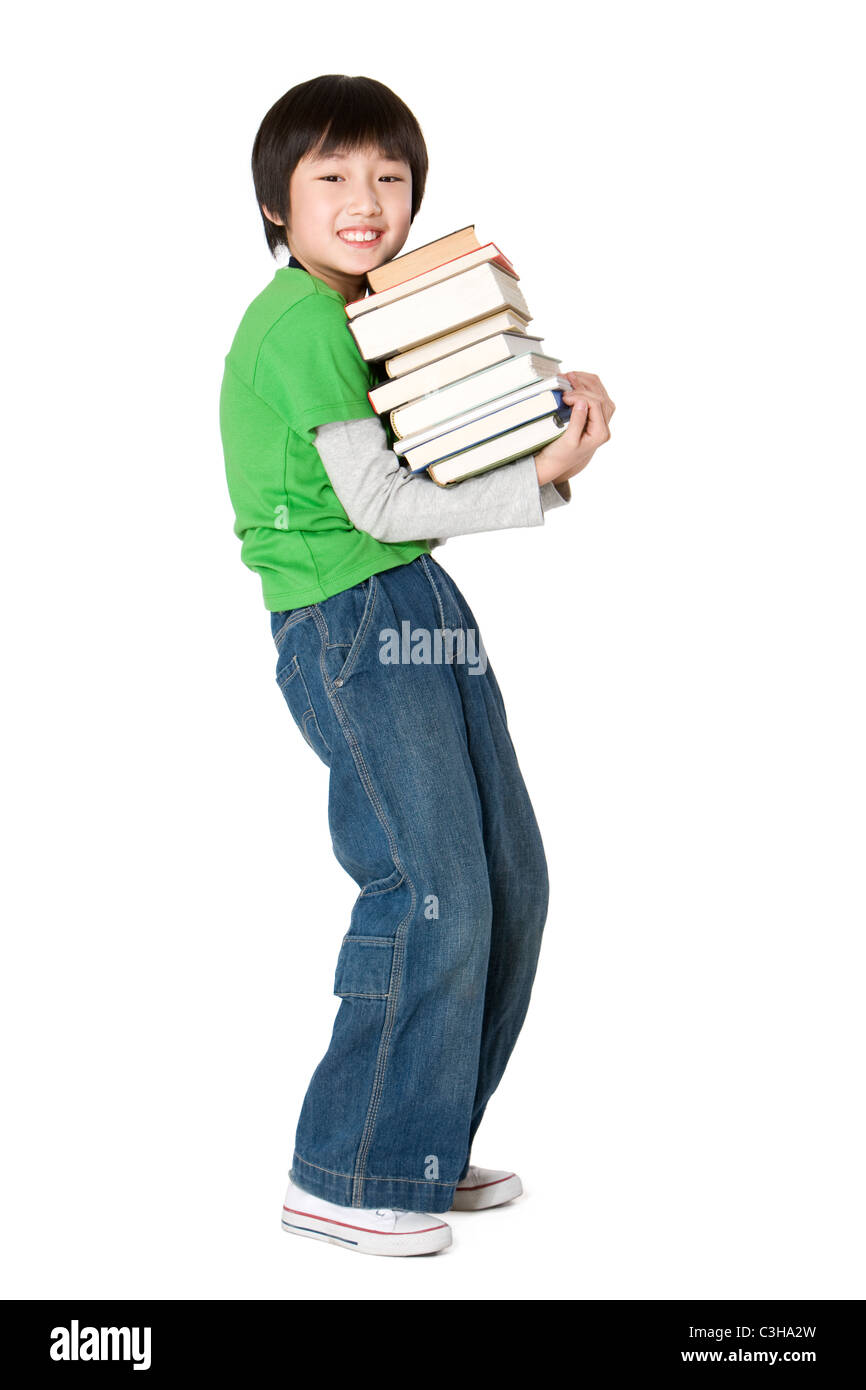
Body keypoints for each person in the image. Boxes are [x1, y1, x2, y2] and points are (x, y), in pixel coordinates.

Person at [219, 73, 615, 1258]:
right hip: (347, 617)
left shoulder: (367, 316)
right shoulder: (296, 324)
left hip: (411, 597)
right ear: (276, 206)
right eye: (331, 176)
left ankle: (418, 1145)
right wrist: (543, 478)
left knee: (508, 880)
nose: (366, 200)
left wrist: (552, 411)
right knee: (425, 882)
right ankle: (348, 1170)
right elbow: (386, 503)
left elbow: (435, 460)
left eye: (390, 177)